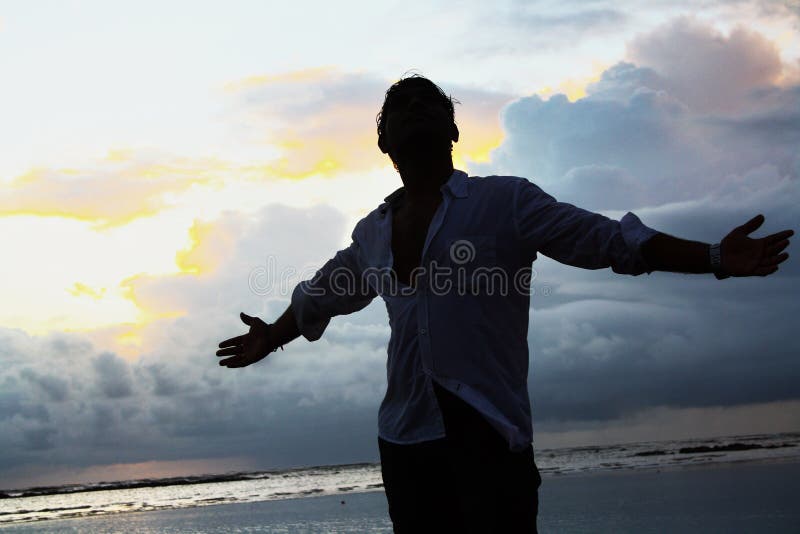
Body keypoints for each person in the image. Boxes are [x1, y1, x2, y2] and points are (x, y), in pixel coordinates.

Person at [216, 75, 793, 532]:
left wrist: (713, 255)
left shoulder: (505, 202)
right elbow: (322, 295)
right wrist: (273, 334)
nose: (414, 106)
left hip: (489, 439)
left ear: (453, 130)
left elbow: (611, 240)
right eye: (400, 105)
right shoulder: (372, 232)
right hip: (406, 445)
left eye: (429, 101)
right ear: (382, 141)